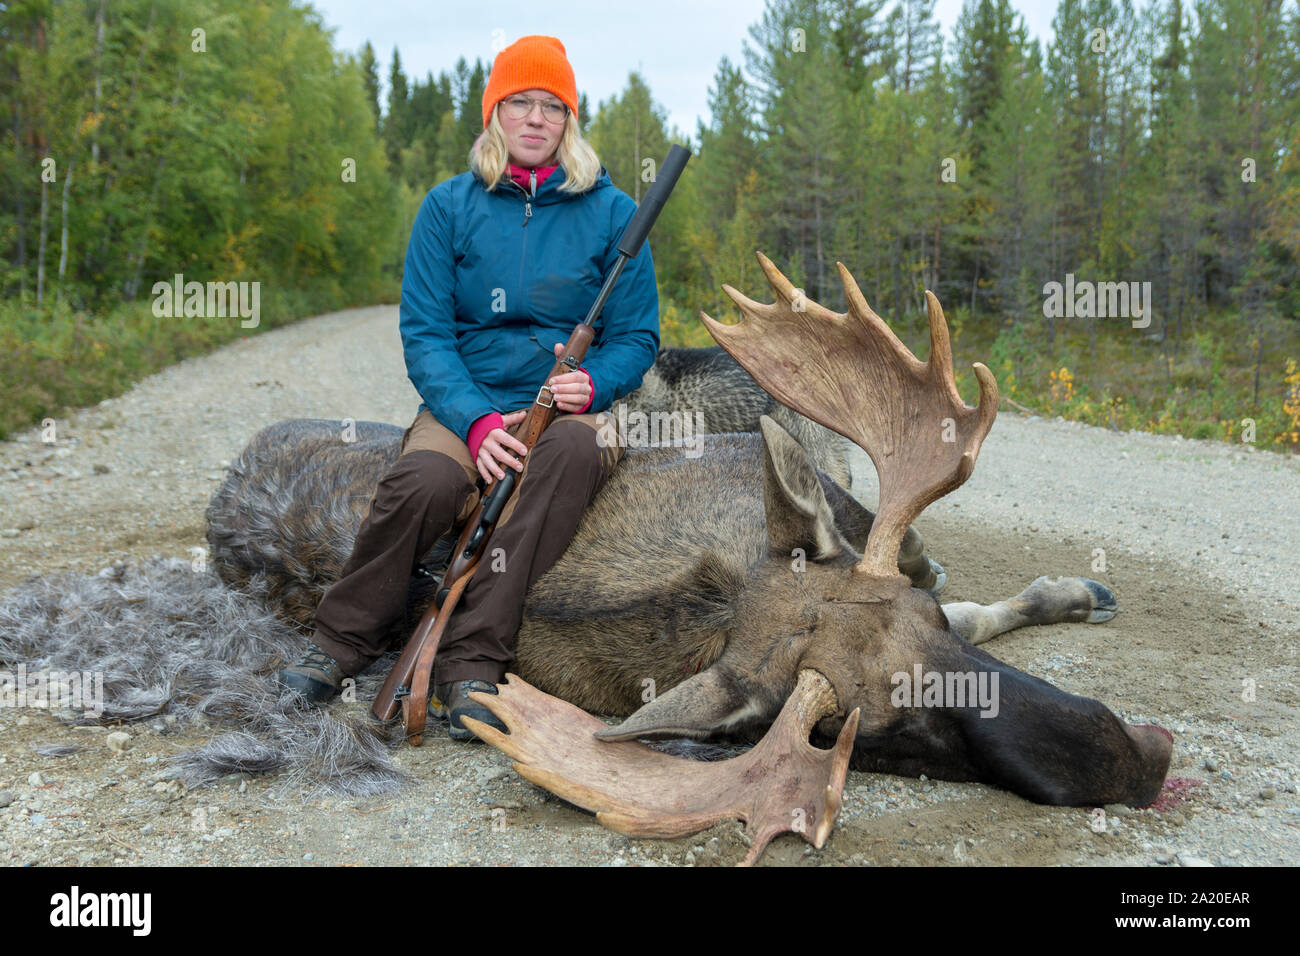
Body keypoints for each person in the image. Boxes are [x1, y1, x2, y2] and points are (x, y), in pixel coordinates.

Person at [276, 35, 659, 741]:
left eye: (554, 106)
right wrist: (476, 422)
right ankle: (340, 642)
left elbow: (637, 337)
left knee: (573, 458)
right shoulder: (447, 207)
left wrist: (593, 384)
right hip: (466, 401)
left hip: (567, 409)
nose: (537, 118)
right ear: (495, 114)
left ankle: (471, 661)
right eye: (521, 102)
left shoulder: (614, 214)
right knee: (421, 481)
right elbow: (425, 333)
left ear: (570, 121)